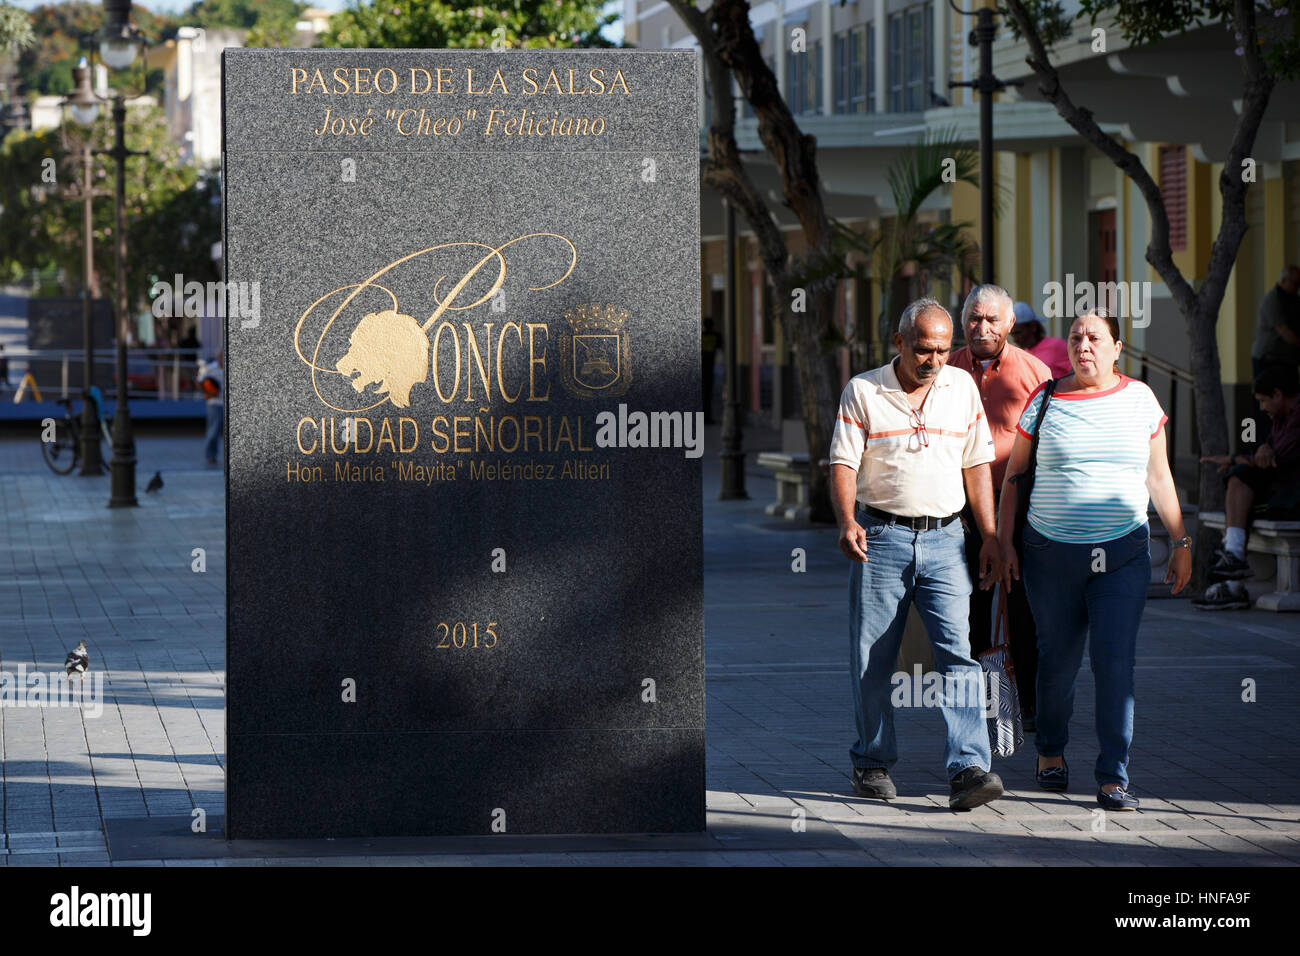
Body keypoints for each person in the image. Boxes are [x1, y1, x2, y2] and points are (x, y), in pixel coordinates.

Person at [999, 309, 1191, 812]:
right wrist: (1003, 542)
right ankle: (1050, 750)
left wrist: (1180, 542)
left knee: (1114, 664)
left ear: (1116, 348)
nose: (1083, 345)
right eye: (1076, 336)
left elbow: (1160, 478)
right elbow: (1015, 476)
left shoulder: (1141, 400)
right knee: (1057, 665)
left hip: (1124, 554)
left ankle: (1112, 777)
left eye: (1095, 338)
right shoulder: (1045, 400)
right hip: (1050, 555)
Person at [829, 297, 1005, 811]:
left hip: (947, 539)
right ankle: (872, 761)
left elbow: (976, 466)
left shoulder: (961, 387)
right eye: (924, 349)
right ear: (899, 342)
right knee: (873, 659)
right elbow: (843, 462)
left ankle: (970, 768)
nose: (934, 360)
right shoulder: (863, 390)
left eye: (944, 350)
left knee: (958, 656)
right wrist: (846, 522)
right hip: (880, 538)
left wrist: (990, 535)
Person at [949, 284, 1051, 731]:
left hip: (1020, 510)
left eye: (992, 319)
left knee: (1024, 607)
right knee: (966, 608)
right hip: (958, 511)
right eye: (974, 318)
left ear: (1010, 324)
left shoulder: (1035, 372)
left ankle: (1029, 704)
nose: (982, 327)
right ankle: (972, 705)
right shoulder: (945, 368)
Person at [1195, 364, 1300, 608]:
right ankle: (1232, 570)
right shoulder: (1281, 418)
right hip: (1282, 492)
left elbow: (1274, 462)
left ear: (1278, 394)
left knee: (1241, 476)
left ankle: (1233, 563)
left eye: (1264, 401)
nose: (1262, 409)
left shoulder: (1296, 418)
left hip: (1291, 498)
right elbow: (1268, 451)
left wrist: (1235, 458)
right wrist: (1263, 447)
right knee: (1240, 483)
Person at [1250, 266, 1300, 377]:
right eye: (1295, 284)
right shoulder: (1273, 301)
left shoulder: (1293, 300)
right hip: (1267, 358)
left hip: (1286, 358)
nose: (1297, 288)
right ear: (1283, 281)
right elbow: (1285, 332)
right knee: (1268, 392)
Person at [1010, 302, 1072, 378]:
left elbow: (1077, 370)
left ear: (1033, 327)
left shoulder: (1057, 345)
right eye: (1012, 334)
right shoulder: (1021, 354)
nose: (1014, 339)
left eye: (1018, 333)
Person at [199, 350, 224, 466]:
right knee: (213, 431)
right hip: (214, 403)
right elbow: (199, 381)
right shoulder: (210, 368)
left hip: (226, 404)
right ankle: (210, 456)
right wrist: (207, 394)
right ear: (219, 357)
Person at [701, 318, 721, 423]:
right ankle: (708, 417)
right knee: (709, 395)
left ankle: (704, 416)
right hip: (711, 368)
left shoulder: (701, 336)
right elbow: (720, 347)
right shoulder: (716, 336)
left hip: (701, 369)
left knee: (703, 394)